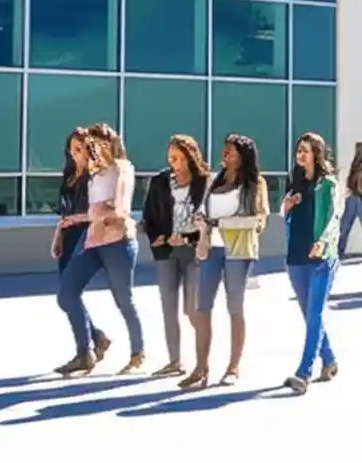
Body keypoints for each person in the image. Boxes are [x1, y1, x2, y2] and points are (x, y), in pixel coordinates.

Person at [54, 123, 144, 376]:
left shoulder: (122, 168)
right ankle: (85, 353)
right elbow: (92, 210)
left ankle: (138, 354)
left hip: (118, 242)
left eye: (98, 144)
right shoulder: (94, 173)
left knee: (123, 299)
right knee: (66, 294)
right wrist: (97, 213)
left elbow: (120, 209)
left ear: (111, 144)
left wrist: (100, 212)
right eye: (91, 145)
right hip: (93, 242)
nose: (94, 150)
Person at [187, 134, 268, 388]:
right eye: (224, 151)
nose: (224, 155)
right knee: (201, 308)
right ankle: (201, 366)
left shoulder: (256, 183)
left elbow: (258, 221)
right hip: (212, 248)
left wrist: (220, 223)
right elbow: (203, 209)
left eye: (230, 152)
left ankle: (233, 367)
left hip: (238, 250)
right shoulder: (215, 180)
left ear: (242, 156)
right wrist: (200, 221)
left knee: (234, 307)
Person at [142, 134, 210, 378]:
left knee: (193, 309)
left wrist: (188, 238)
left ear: (190, 157)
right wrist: (157, 235)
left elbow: (209, 219)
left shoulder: (205, 182)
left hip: (194, 251)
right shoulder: (160, 181)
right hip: (166, 250)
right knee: (168, 307)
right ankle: (174, 360)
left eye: (178, 158)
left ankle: (202, 361)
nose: (174, 163)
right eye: (171, 158)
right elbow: (150, 214)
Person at [281, 132, 342, 394]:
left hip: (321, 256)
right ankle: (329, 360)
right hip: (296, 255)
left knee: (315, 313)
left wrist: (324, 242)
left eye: (306, 150)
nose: (301, 155)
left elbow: (333, 218)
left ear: (317, 153)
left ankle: (304, 372)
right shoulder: (294, 182)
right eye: (299, 150)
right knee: (309, 314)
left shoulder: (327, 184)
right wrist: (286, 205)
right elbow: (286, 218)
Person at [49, 128, 111, 370]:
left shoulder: (96, 177)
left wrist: (73, 221)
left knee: (67, 295)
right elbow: (63, 214)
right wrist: (57, 237)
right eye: (72, 149)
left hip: (87, 235)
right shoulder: (68, 176)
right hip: (67, 236)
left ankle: (85, 352)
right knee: (68, 296)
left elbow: (97, 211)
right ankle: (96, 337)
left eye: (81, 149)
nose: (76, 154)